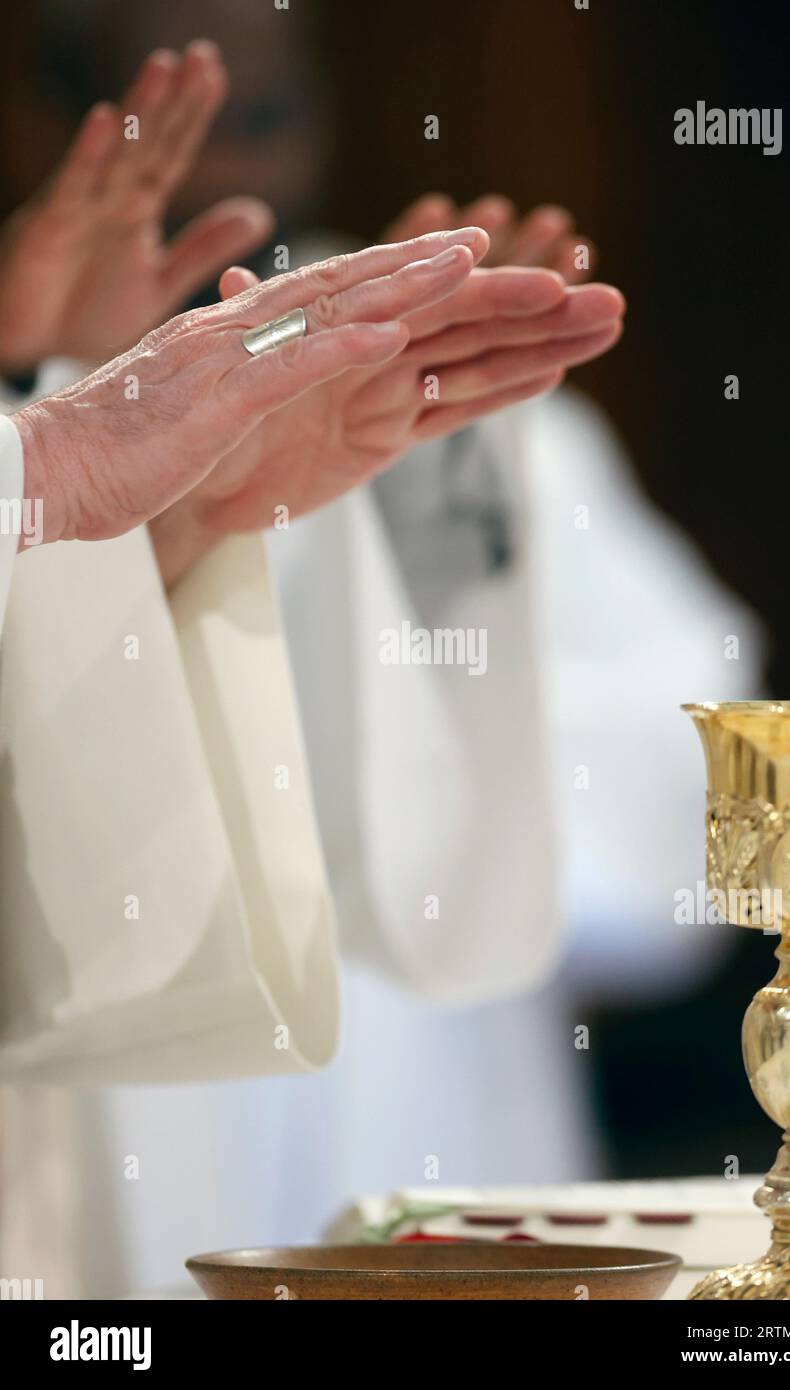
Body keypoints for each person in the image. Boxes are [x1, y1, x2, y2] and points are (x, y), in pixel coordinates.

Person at [0, 40, 626, 1295]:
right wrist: (49, 454)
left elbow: (653, 773)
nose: (228, 155)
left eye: (272, 105)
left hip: (402, 1058)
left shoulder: (298, 343)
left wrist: (169, 525)